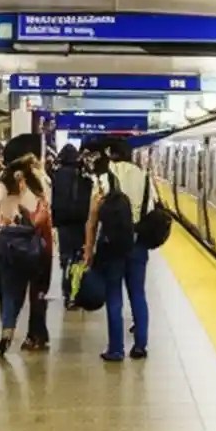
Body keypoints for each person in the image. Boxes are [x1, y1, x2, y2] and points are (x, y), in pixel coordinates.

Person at [84, 137, 156, 361]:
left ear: (109, 153)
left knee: (114, 296)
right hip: (137, 244)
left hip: (111, 244)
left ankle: (116, 350)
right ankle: (140, 345)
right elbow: (151, 210)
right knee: (138, 293)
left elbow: (93, 218)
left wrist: (88, 250)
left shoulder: (103, 178)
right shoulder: (144, 178)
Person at [0, 135, 53, 355]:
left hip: (9, 245)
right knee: (38, 291)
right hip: (38, 244)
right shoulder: (42, 183)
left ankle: (7, 330)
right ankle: (36, 334)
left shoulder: (3, 185)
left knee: (10, 290)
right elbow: (48, 213)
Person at [50, 144, 91, 309]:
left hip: (63, 222)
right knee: (78, 257)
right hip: (81, 222)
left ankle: (67, 293)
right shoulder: (84, 175)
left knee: (66, 257)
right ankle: (76, 292)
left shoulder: (57, 175)